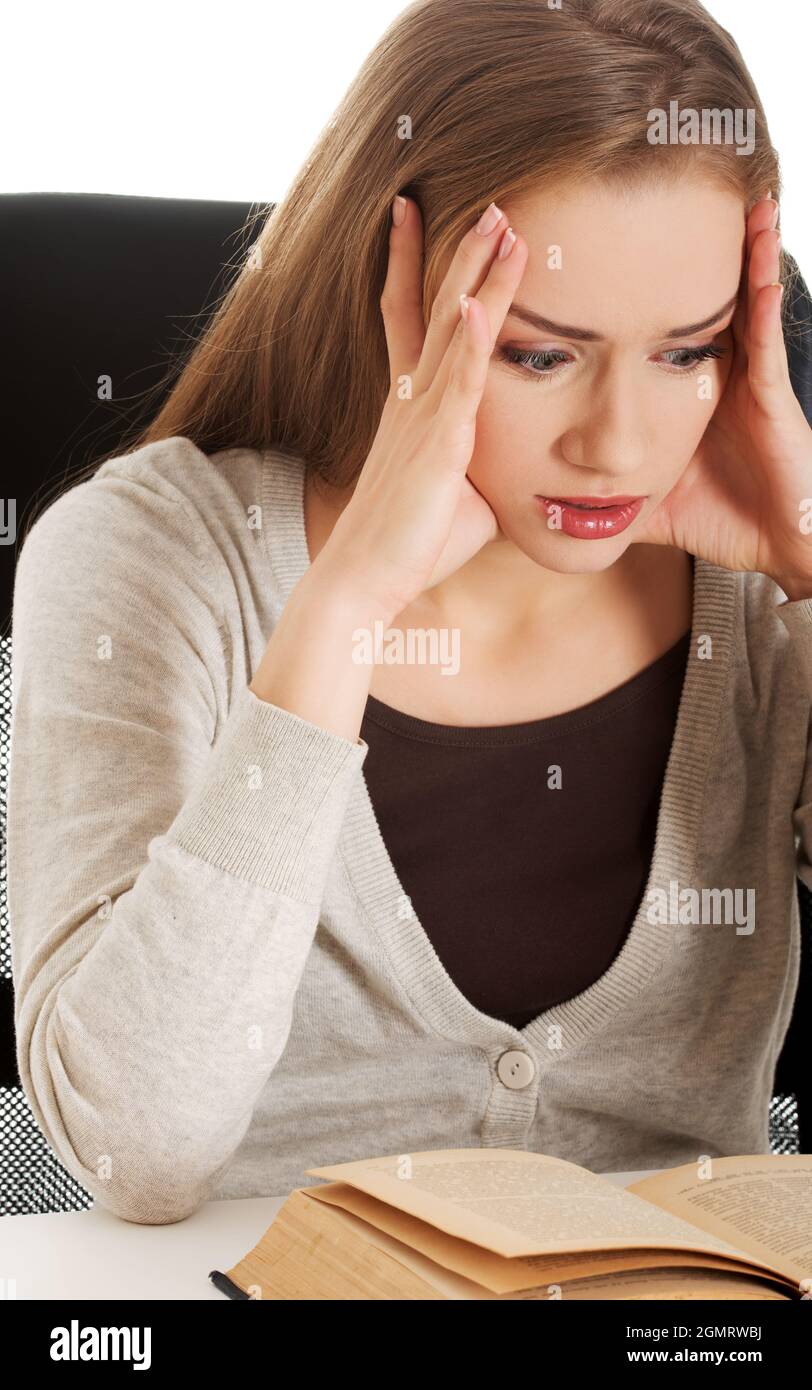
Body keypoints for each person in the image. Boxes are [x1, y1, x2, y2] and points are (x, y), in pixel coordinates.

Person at [8, 0, 812, 1226]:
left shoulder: (759, 603)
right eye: (539, 355)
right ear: (391, 295)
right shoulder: (149, 557)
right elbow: (139, 1149)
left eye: (685, 351)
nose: (619, 444)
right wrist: (345, 609)